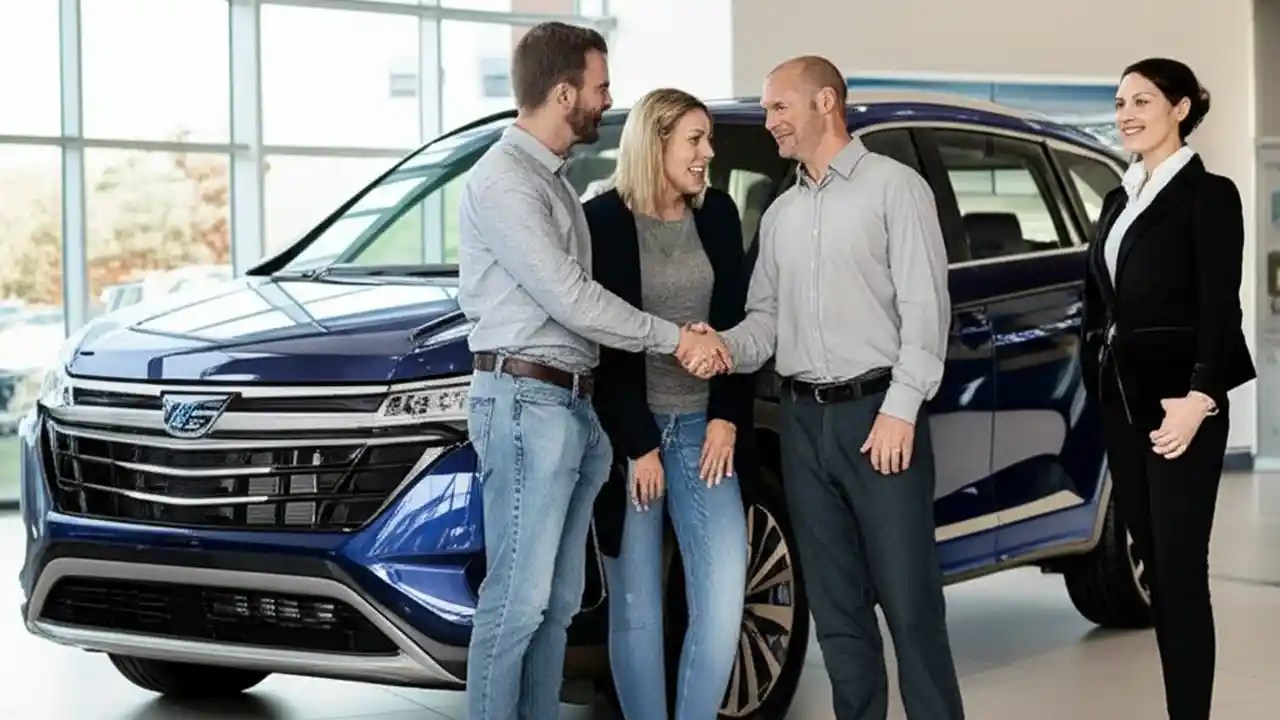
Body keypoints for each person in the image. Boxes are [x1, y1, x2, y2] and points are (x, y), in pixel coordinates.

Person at [455, 22, 730, 720]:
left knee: (556, 605)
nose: (608, 101)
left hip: (571, 409)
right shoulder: (506, 181)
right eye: (601, 87)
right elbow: (574, 300)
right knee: (515, 602)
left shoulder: (555, 184)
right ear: (563, 91)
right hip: (526, 401)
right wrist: (676, 338)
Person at [688, 55, 965, 719]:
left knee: (910, 604)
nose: (769, 121)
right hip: (803, 425)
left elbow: (928, 310)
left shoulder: (895, 190)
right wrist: (723, 345)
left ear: (825, 103)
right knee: (838, 611)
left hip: (878, 418)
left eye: (779, 106)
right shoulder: (782, 214)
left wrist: (902, 409)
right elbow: (765, 321)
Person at [1081, 58, 1255, 720]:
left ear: (1180, 108)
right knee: (1154, 564)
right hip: (1122, 403)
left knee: (1180, 574)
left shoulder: (1209, 196)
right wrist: (1091, 367)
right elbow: (1100, 300)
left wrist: (1201, 394)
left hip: (1182, 404)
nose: (1126, 112)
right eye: (1120, 100)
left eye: (1142, 100)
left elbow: (1220, 307)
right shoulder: (1117, 198)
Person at [582, 87, 752, 720]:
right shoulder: (602, 221)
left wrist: (728, 417)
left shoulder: (719, 215)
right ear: (655, 143)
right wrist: (637, 445)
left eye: (708, 139)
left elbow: (735, 323)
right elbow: (599, 341)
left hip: (705, 433)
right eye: (695, 140)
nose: (708, 153)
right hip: (635, 441)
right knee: (637, 606)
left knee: (723, 594)